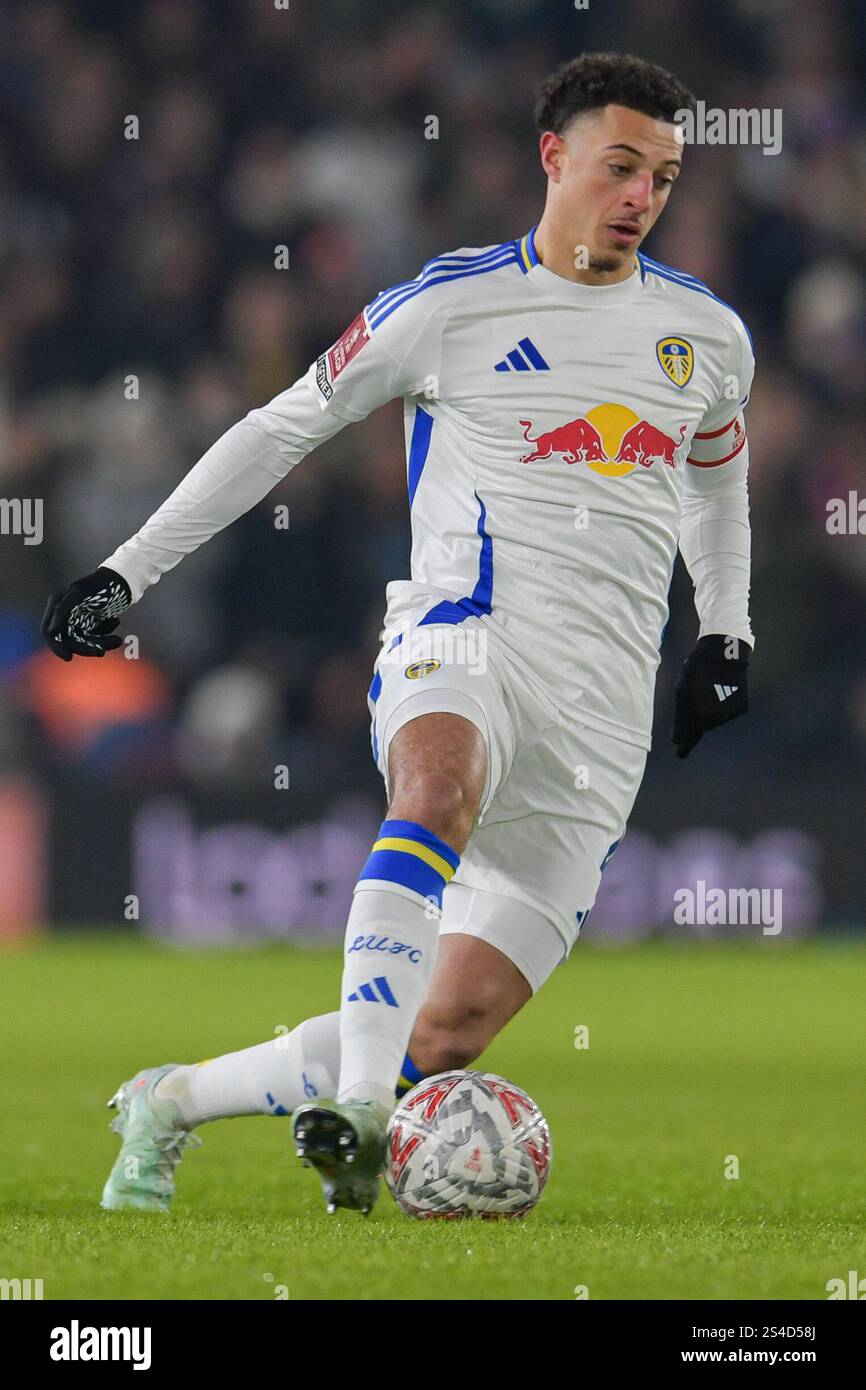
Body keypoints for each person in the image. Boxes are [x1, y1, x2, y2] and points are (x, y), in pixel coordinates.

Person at [42, 52, 755, 1216]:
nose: (640, 197)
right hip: (463, 635)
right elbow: (277, 433)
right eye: (620, 166)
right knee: (433, 792)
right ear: (553, 157)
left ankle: (168, 1101)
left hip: (602, 712)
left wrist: (723, 631)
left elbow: (715, 486)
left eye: (663, 178)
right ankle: (367, 1114)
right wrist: (128, 571)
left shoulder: (704, 337)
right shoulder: (450, 304)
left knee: (452, 1027)